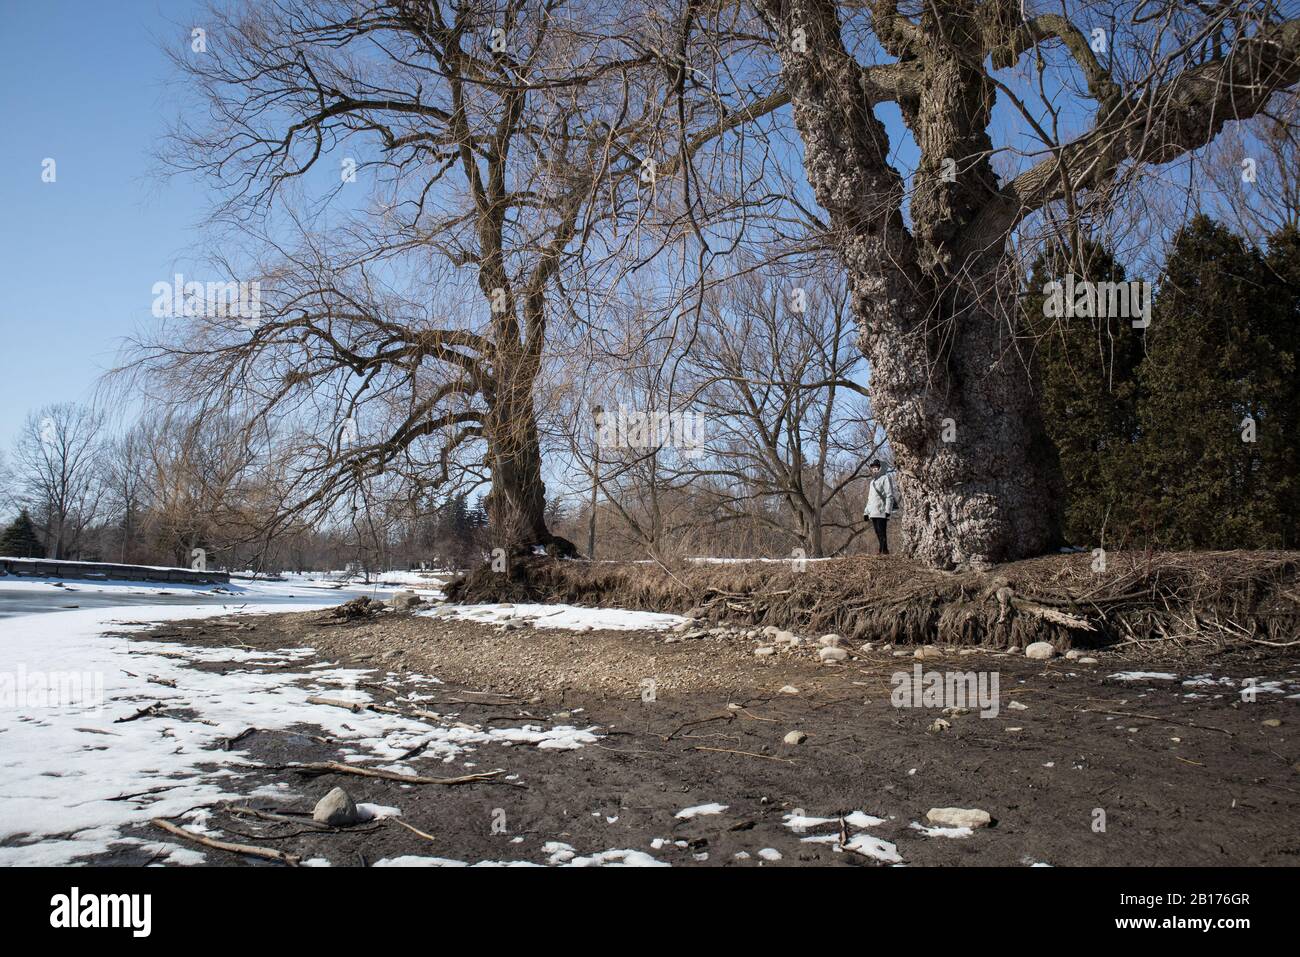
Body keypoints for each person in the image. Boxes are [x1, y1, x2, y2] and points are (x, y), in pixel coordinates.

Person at [863, 459, 897, 555]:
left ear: (880, 468)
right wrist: (866, 512)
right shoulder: (872, 482)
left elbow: (889, 495)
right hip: (873, 511)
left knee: (882, 531)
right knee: (877, 532)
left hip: (882, 510)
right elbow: (869, 499)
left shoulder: (885, 478)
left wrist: (888, 510)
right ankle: (884, 550)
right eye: (873, 468)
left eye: (876, 467)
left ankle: (881, 550)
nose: (874, 469)